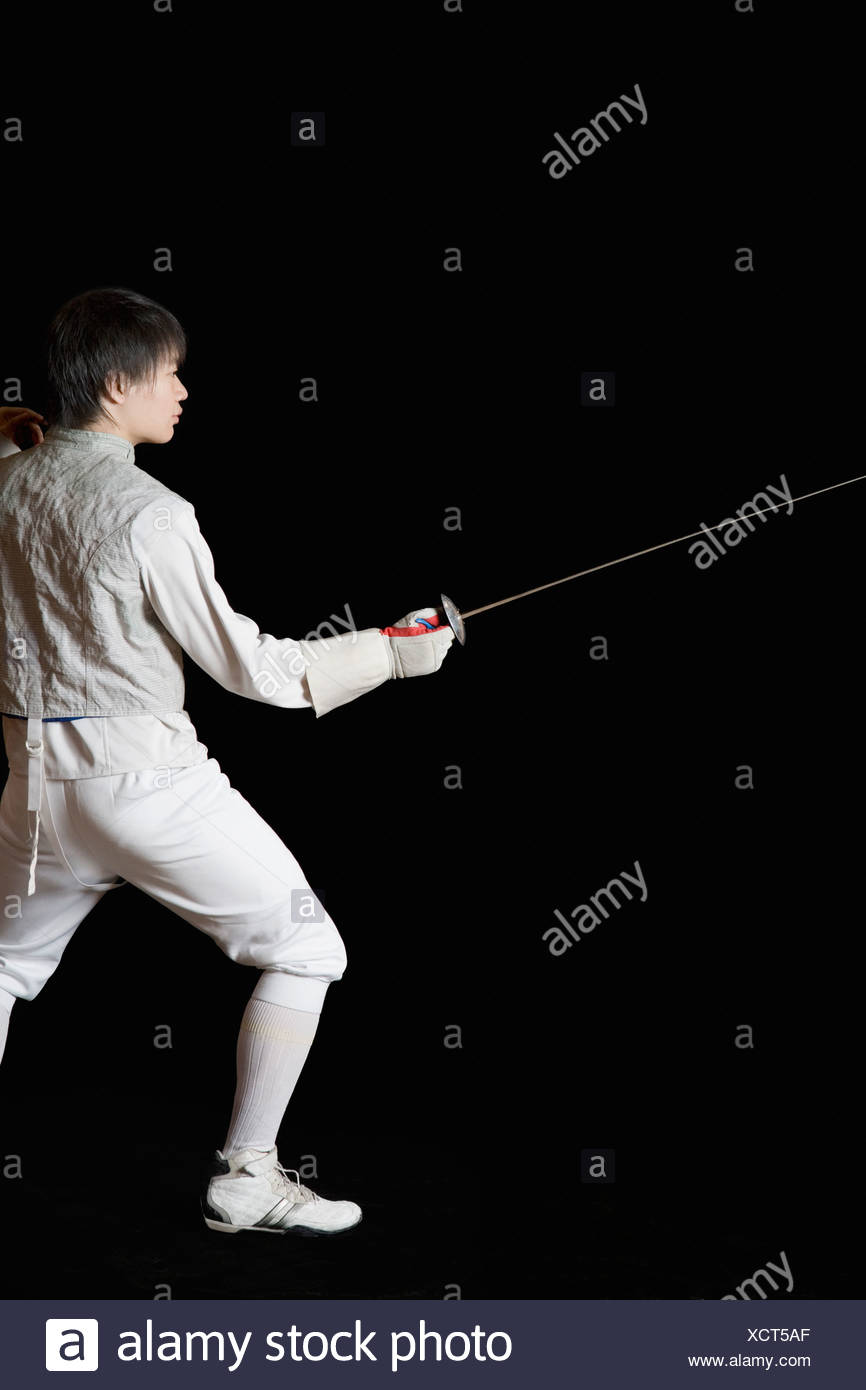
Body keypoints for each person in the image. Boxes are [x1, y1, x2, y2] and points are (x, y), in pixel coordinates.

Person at [0, 287, 455, 1236]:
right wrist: (391, 653)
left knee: (2, 966)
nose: (182, 391)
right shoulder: (153, 513)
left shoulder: (9, 477)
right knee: (308, 949)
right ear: (117, 383)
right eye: (169, 373)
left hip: (34, 792)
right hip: (147, 789)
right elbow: (255, 672)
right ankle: (248, 1177)